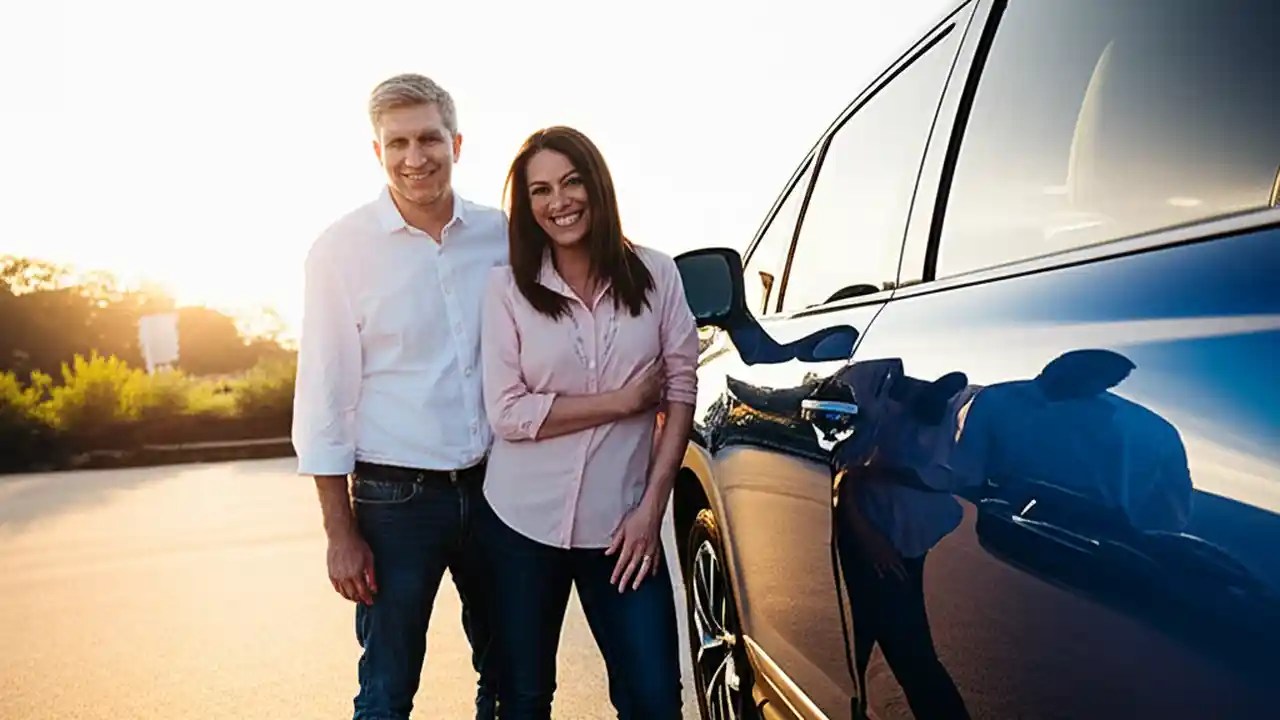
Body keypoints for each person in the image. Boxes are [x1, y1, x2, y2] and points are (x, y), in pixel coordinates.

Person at [291, 73, 506, 720]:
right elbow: (324, 397)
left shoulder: (504, 235)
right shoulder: (340, 252)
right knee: (387, 690)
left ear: (457, 143)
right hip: (394, 503)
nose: (416, 158)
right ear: (377, 152)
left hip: (503, 493)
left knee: (514, 677)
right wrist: (340, 532)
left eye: (430, 139)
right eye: (398, 143)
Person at [477, 125, 699, 719]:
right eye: (540, 190)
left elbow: (680, 392)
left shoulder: (658, 275)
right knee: (522, 700)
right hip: (520, 526)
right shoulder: (506, 289)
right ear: (526, 206)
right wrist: (622, 402)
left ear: (596, 185)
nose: (559, 202)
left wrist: (651, 509)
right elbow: (507, 411)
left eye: (572, 182)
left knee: (654, 698)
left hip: (623, 529)